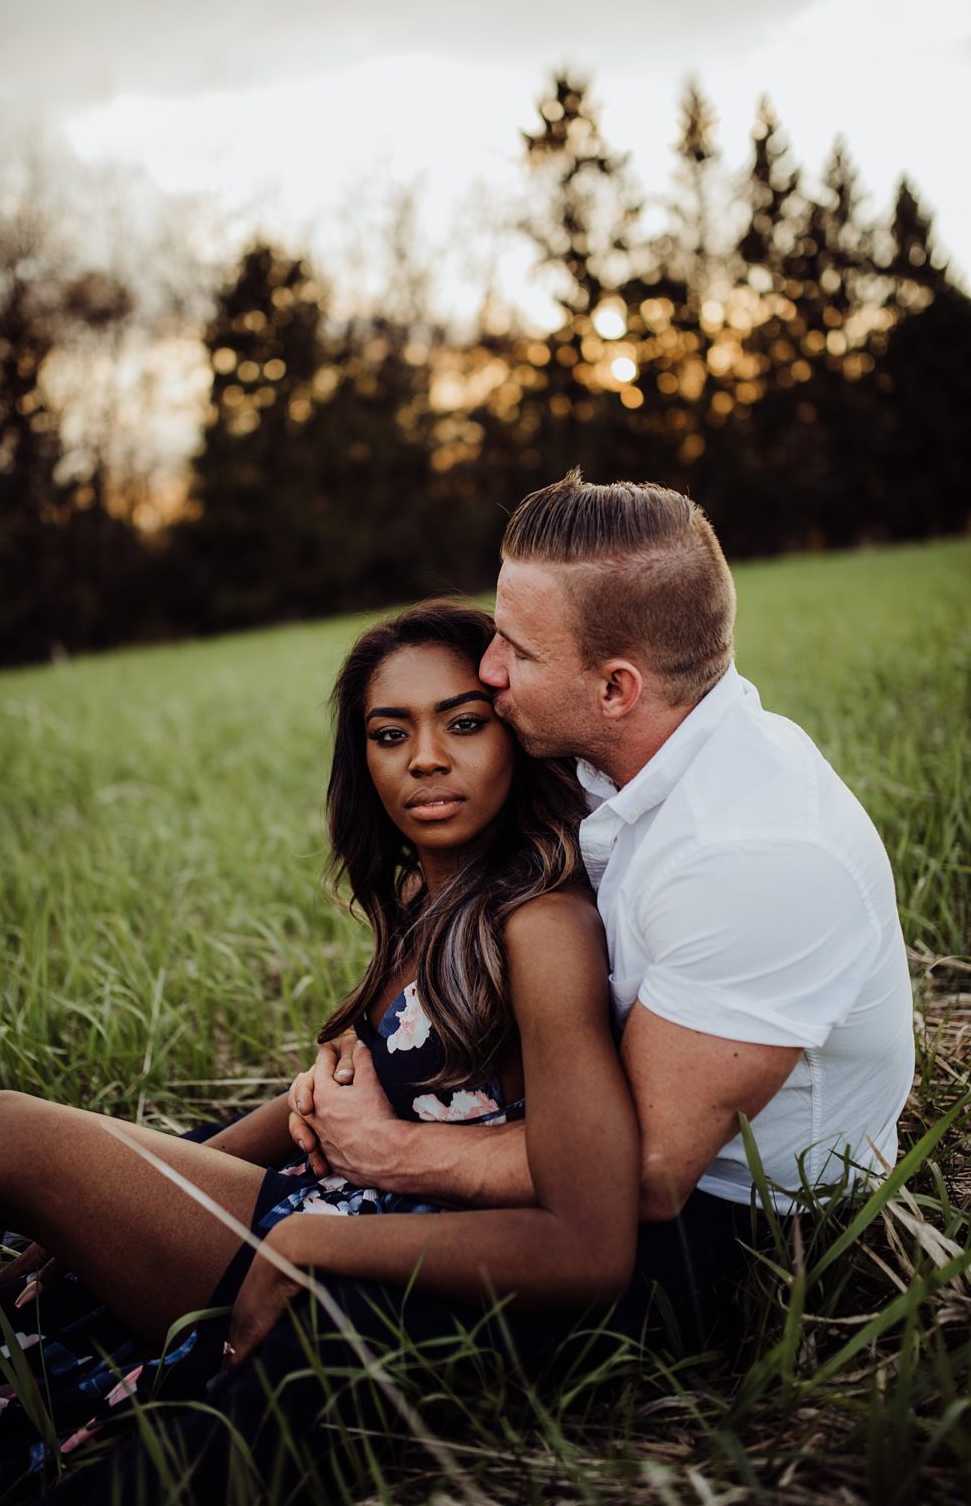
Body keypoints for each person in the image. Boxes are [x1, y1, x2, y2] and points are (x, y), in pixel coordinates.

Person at [0, 601, 637, 1504]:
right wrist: (136, 1185)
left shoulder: (539, 927)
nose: (426, 757)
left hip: (362, 1258)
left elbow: (589, 1247)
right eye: (391, 734)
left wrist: (316, 1240)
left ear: (516, 738)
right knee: (14, 1170)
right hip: (312, 1206)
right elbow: (318, 1099)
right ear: (364, 762)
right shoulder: (427, 906)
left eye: (464, 723)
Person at [286, 472, 915, 1339]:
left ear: (616, 688)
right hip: (577, 1141)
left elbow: (646, 1176)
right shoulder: (622, 755)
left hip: (731, 1229)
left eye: (516, 650)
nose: (488, 670)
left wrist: (391, 1153)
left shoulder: (755, 855)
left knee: (295, 1316)